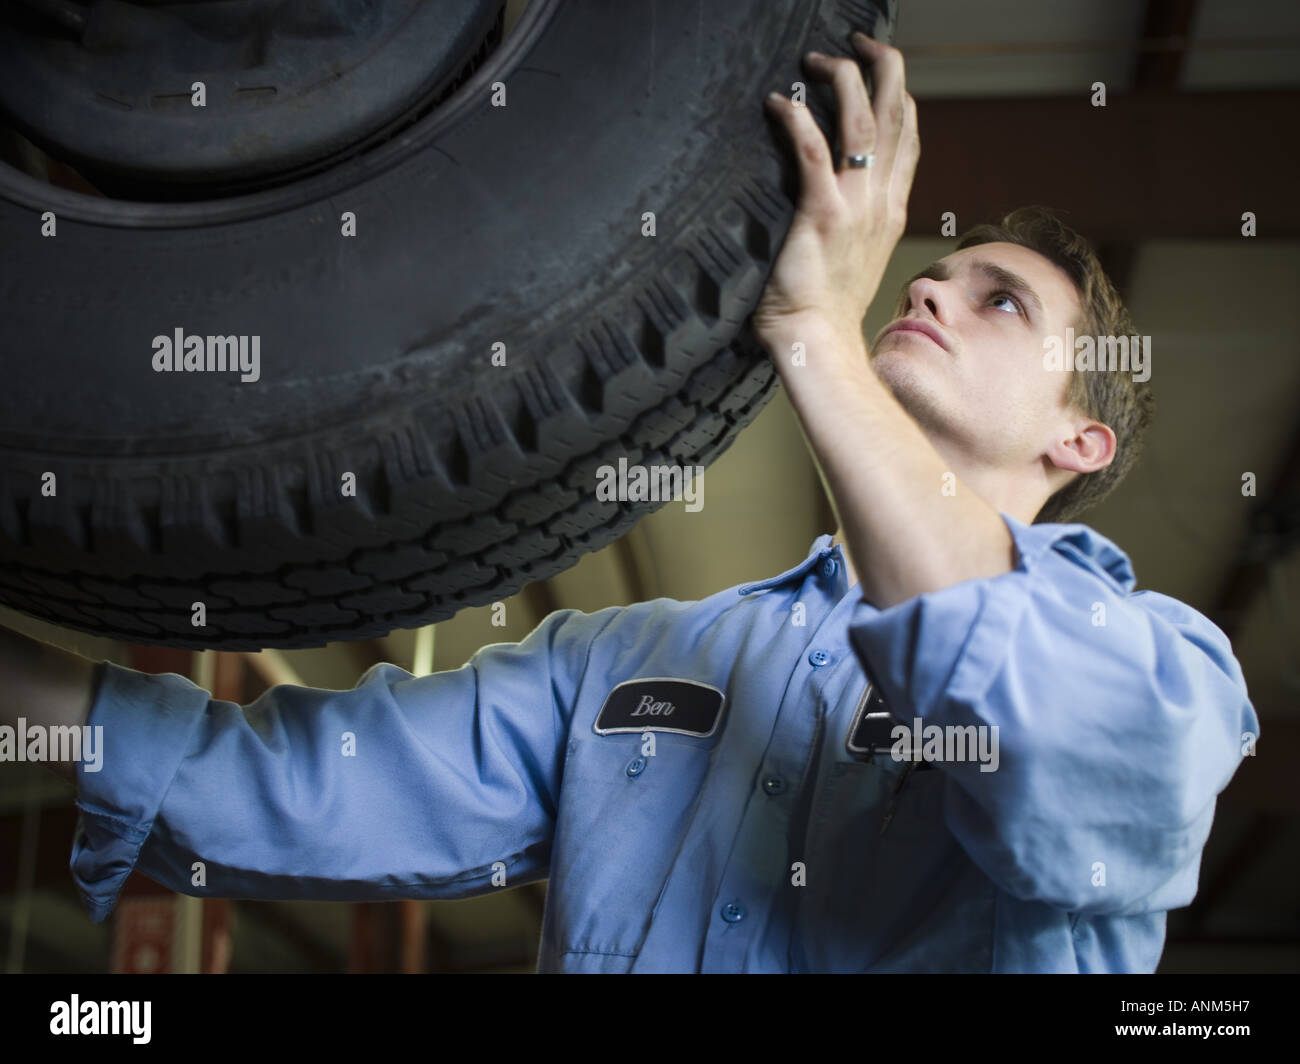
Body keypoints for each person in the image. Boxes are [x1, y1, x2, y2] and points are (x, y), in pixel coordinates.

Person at [0, 35, 1257, 973]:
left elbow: (1041, 734)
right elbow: (287, 789)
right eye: (933, 274)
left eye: (1002, 302)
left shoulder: (1160, 672)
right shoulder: (629, 657)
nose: (928, 291)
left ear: (1077, 437)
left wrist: (814, 330)